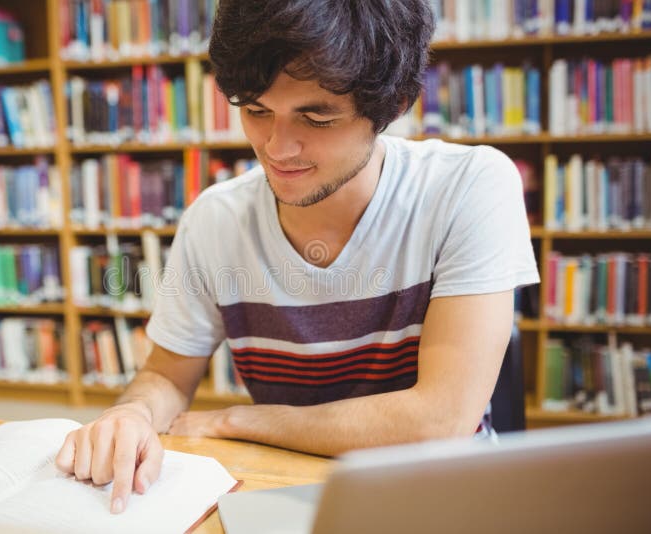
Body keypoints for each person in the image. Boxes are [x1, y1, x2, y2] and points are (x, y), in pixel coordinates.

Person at [55, 0, 540, 514]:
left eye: (316, 117)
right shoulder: (215, 219)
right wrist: (133, 413)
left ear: (394, 104)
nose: (277, 148)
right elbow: (167, 377)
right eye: (257, 111)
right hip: (287, 488)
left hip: (445, 497)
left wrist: (235, 420)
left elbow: (439, 422)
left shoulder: (469, 186)